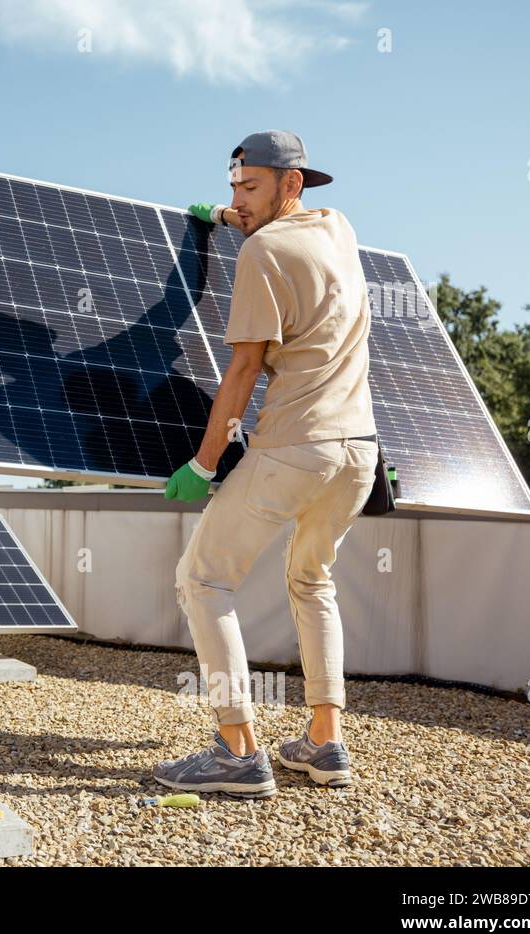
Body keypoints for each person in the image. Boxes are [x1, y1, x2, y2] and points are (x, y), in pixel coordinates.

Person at [153, 130, 378, 798]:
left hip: (294, 446)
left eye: (248, 188)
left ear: (290, 184)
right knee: (313, 580)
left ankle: (236, 749)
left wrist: (204, 460)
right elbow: (270, 218)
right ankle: (325, 741)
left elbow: (245, 368)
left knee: (203, 579)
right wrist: (221, 218)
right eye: (232, 188)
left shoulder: (263, 251)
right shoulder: (338, 227)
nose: (236, 200)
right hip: (359, 453)